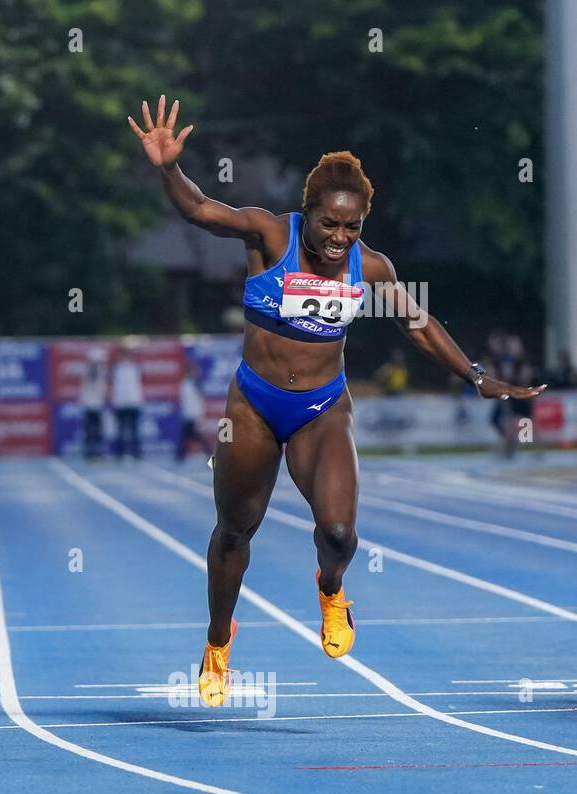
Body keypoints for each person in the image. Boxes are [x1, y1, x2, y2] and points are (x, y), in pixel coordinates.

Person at [129, 95, 545, 706]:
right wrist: (168, 168)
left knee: (341, 530)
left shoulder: (369, 267)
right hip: (254, 406)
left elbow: (417, 323)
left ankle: (331, 589)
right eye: (329, 224)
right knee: (234, 533)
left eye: (352, 227)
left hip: (322, 408)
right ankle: (218, 644)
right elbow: (198, 209)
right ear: (309, 214)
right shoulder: (271, 236)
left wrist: (475, 375)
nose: (339, 238)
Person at [109, 350, 144, 460]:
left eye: (127, 356)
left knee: (134, 430)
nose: (125, 359)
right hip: (120, 403)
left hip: (133, 402)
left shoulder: (135, 368)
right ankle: (119, 454)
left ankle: (136, 453)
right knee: (120, 430)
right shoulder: (115, 369)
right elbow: (111, 383)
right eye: (123, 356)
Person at [176, 360, 211, 462]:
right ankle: (180, 456)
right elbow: (184, 401)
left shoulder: (195, 384)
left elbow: (201, 400)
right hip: (187, 414)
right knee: (187, 436)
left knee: (197, 437)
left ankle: (209, 455)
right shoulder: (184, 384)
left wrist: (200, 414)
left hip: (195, 414)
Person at [79, 351, 108, 459]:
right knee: (92, 431)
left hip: (95, 405)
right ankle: (91, 453)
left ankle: (95, 452)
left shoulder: (97, 372)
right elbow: (97, 389)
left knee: (95, 432)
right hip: (91, 406)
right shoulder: (91, 372)